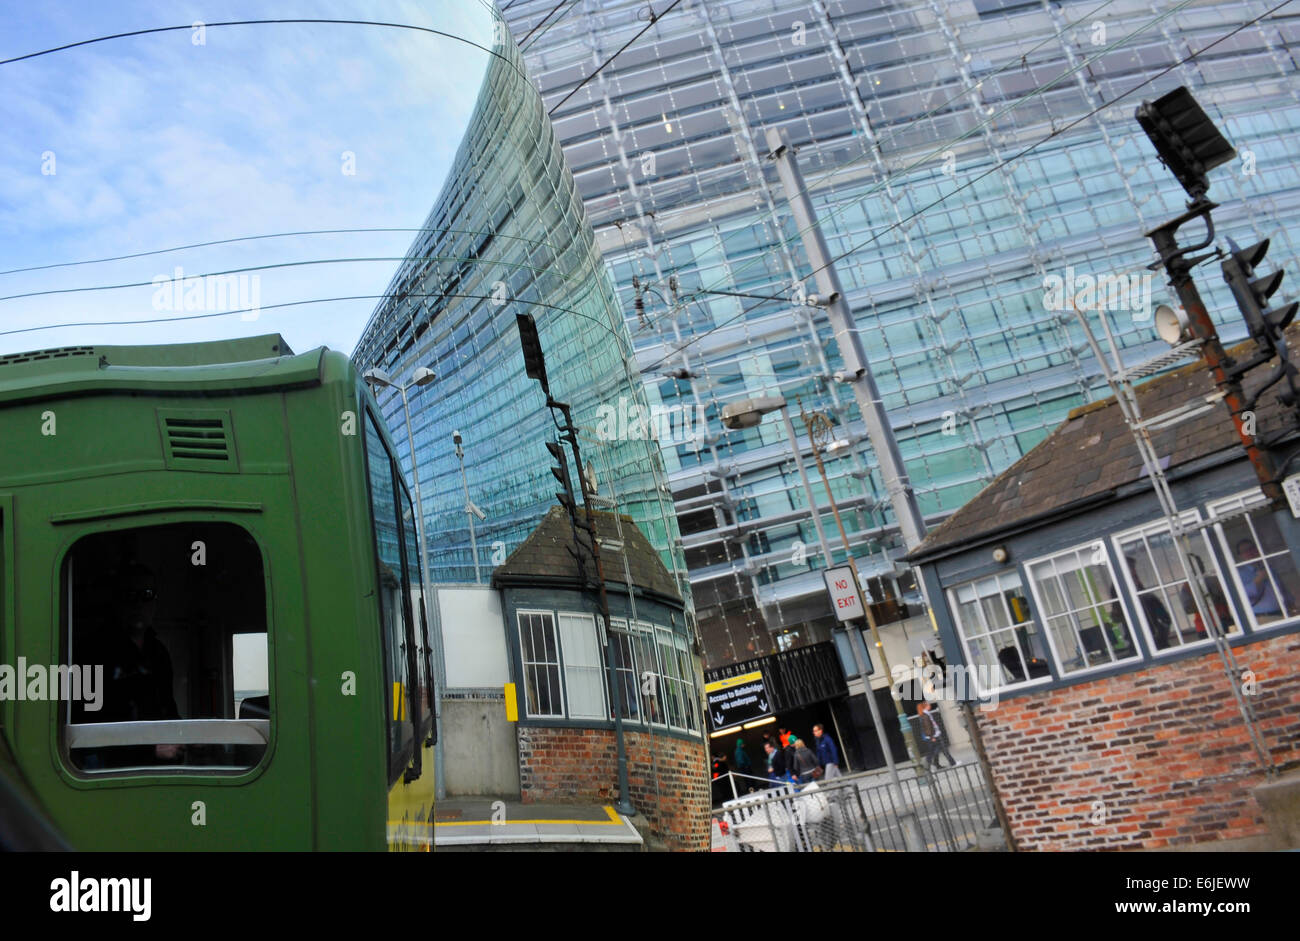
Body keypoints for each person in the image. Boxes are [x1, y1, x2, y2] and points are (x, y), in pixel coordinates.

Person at [99, 564, 182, 764]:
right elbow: (88, 725)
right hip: (111, 772)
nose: (138, 603)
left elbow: (168, 709)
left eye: (146, 594)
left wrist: (185, 737)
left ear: (155, 601)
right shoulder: (94, 651)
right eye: (130, 594)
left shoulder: (159, 652)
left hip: (160, 766)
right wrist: (149, 752)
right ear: (117, 601)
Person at [1237, 539, 1285, 620]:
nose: (1250, 552)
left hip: (1282, 613)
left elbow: (1281, 589)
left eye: (1252, 548)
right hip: (1261, 617)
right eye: (1245, 551)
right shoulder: (1239, 574)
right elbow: (1243, 595)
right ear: (1240, 556)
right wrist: (1259, 578)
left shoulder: (1269, 568)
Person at [916, 702, 956, 770]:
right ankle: (927, 763)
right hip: (934, 736)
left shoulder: (925, 714)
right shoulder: (925, 715)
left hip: (935, 735)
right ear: (925, 707)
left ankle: (936, 764)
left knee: (936, 750)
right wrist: (932, 737)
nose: (930, 705)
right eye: (928, 705)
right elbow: (928, 727)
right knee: (937, 750)